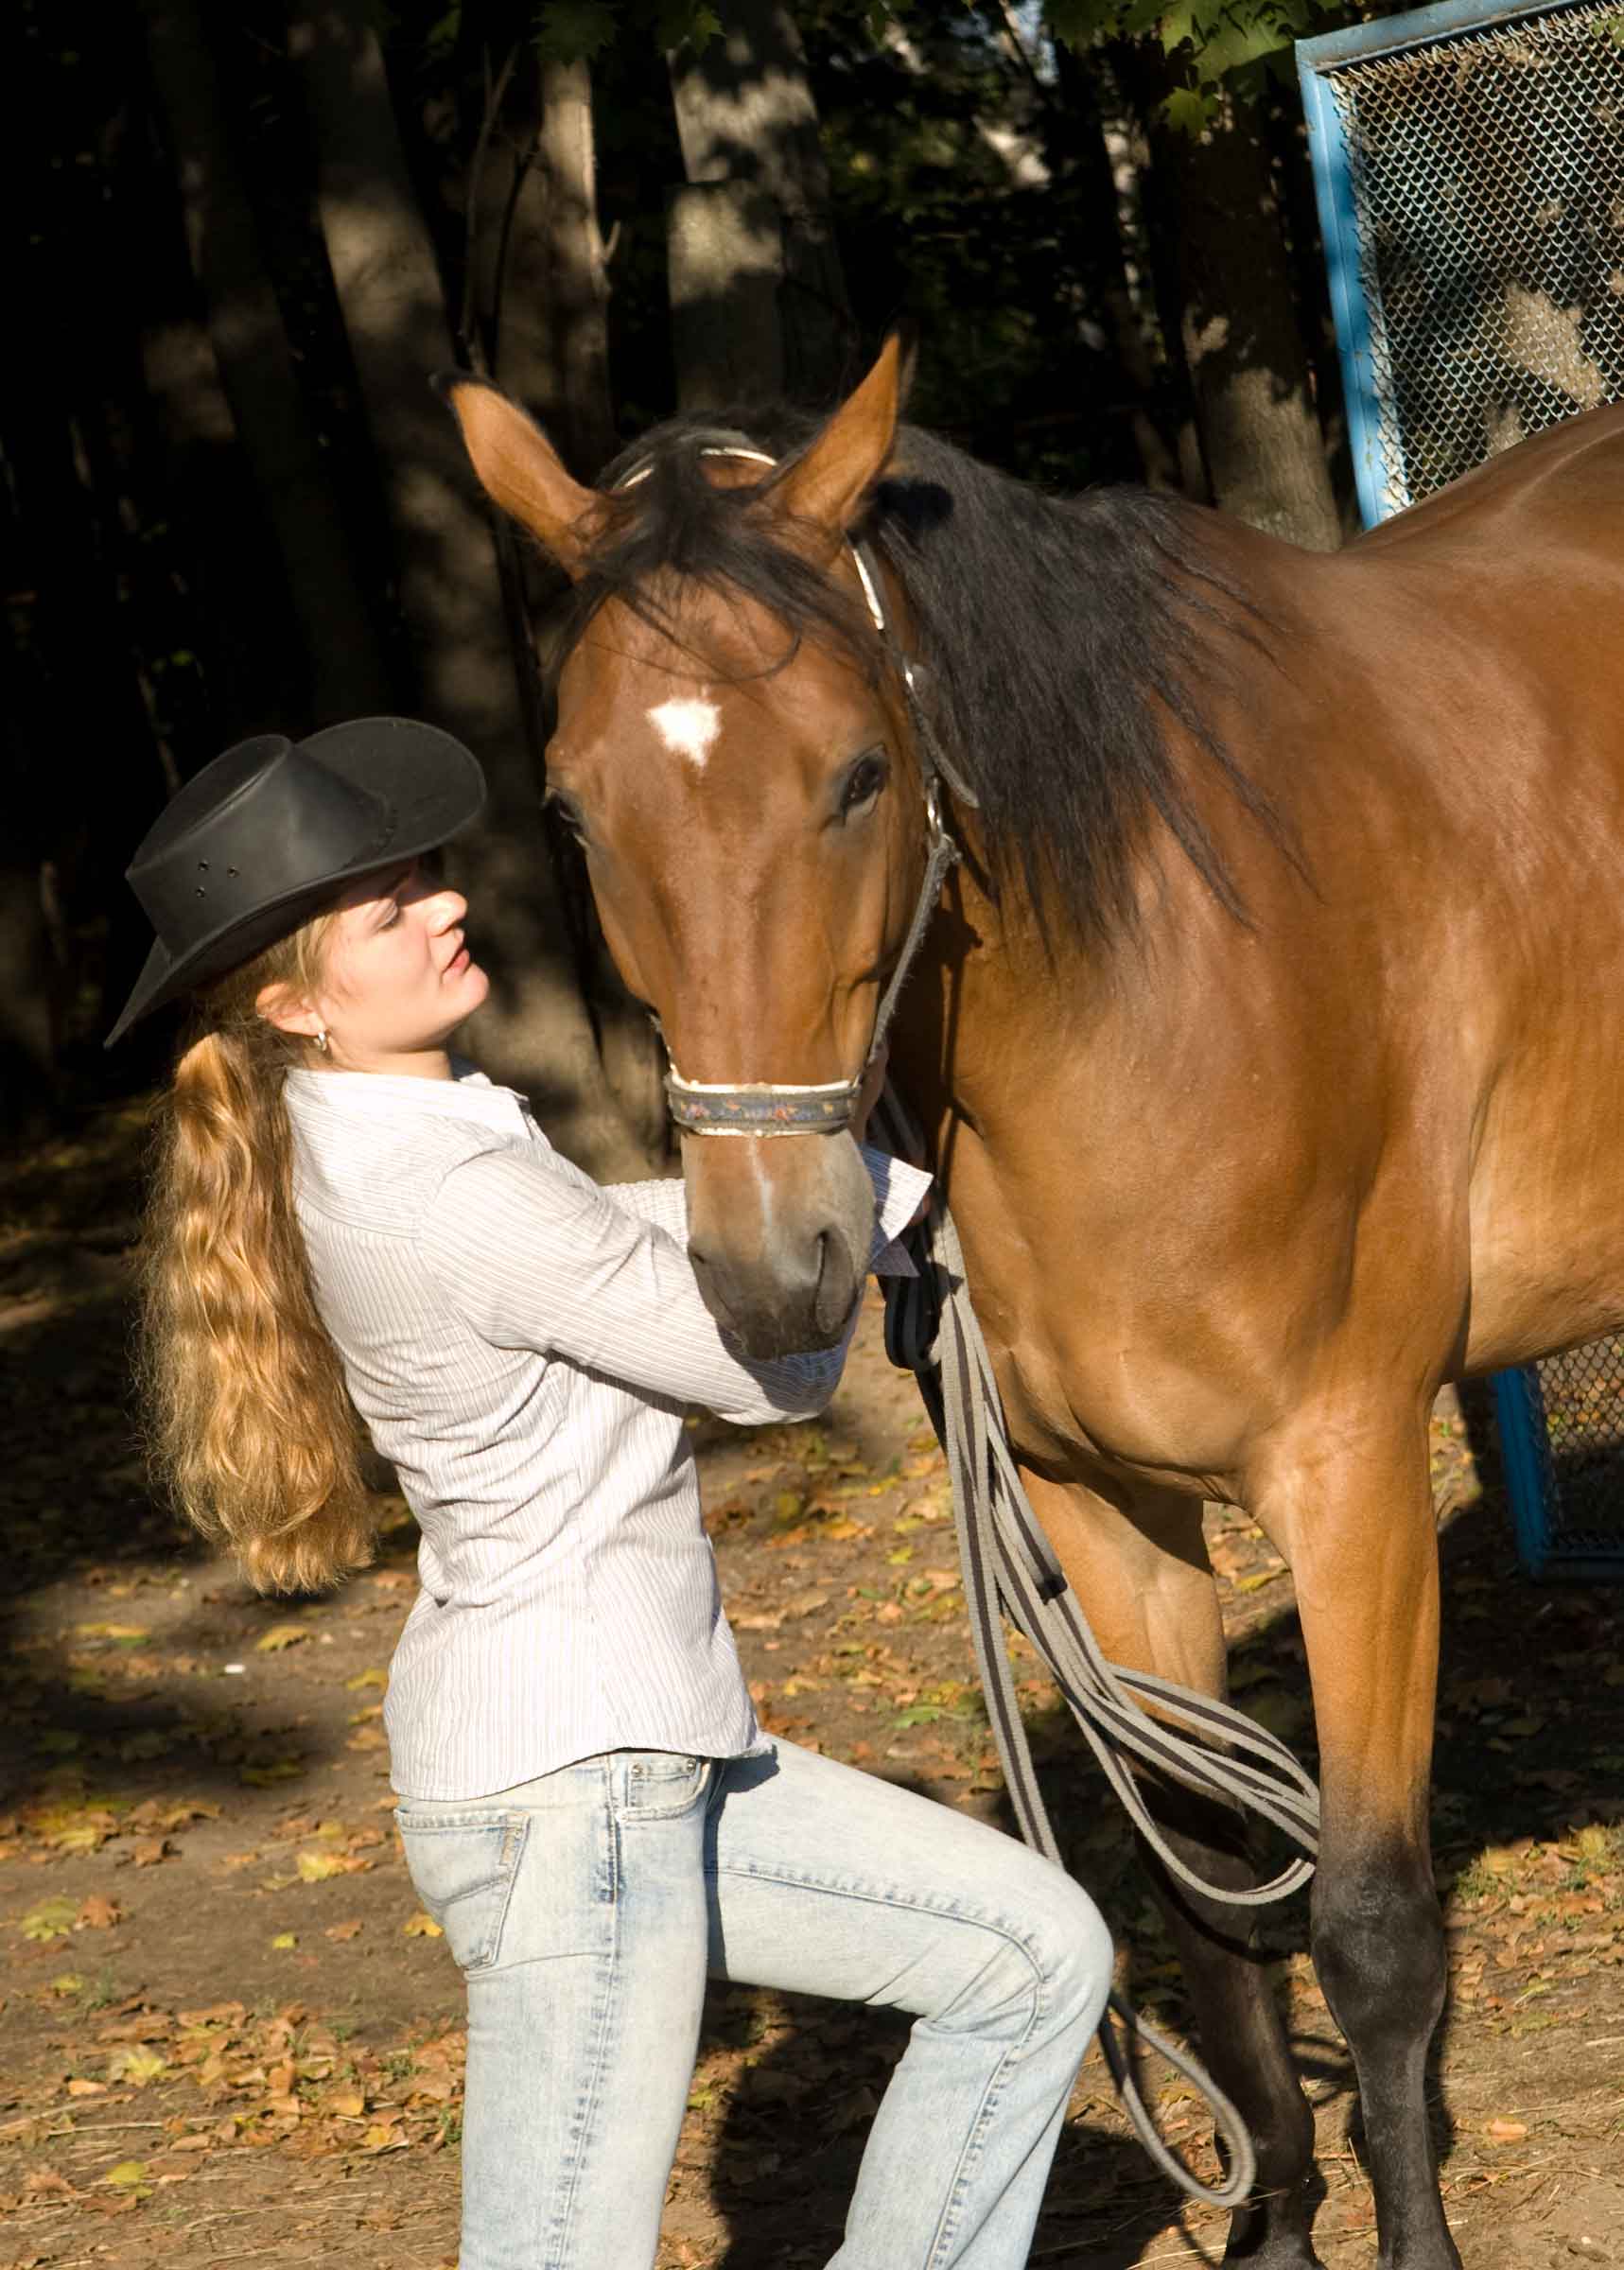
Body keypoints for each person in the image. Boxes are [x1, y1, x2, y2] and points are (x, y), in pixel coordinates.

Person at [115, 718, 1115, 2270]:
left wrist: (861, 1198)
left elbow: (597, 1234)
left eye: (424, 876)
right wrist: (853, 1203)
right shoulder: (440, 1186)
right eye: (386, 911)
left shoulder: (383, 1143)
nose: (444, 905)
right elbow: (759, 1372)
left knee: (1030, 1952)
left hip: (625, 1761)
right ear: (294, 1003)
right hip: (573, 1791)